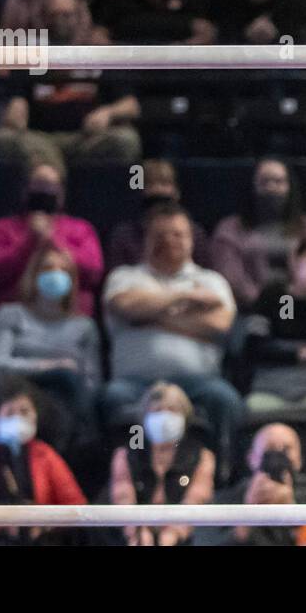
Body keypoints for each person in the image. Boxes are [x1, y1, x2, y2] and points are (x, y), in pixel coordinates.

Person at [101, 202, 243, 476]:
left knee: (226, 399)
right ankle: (124, 480)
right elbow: (125, 307)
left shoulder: (211, 281)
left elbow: (220, 325)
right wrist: (186, 297)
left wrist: (151, 316)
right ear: (146, 239)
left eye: (178, 234)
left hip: (199, 384)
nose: (170, 240)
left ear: (191, 239)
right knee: (112, 397)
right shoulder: (125, 277)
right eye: (161, 234)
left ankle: (222, 477)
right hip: (135, 385)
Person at [0, 0, 142, 170]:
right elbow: (17, 100)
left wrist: (108, 113)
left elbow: (131, 105)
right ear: (43, 18)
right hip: (41, 139)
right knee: (4, 139)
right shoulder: (30, 56)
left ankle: (51, 174)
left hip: (86, 139)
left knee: (126, 139)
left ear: (79, 17)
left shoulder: (100, 53)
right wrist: (16, 108)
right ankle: (49, 175)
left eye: (66, 15)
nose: (60, 21)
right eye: (53, 15)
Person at [0, 377, 86, 545]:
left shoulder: (45, 456)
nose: (18, 419)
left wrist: (44, 521)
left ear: (35, 416)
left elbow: (76, 505)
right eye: (10, 413)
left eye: (24, 412)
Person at [0, 241, 101, 438]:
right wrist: (48, 366)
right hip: (17, 391)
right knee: (63, 376)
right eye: (48, 268)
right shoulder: (11, 314)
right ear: (33, 275)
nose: (56, 274)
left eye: (64, 270)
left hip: (66, 399)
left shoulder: (85, 326)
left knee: (71, 386)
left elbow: (93, 381)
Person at [0, 161, 105, 316]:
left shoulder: (81, 228)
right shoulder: (1, 228)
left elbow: (93, 274)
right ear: (25, 190)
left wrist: (52, 239)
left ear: (61, 193)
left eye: (50, 186)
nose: (44, 192)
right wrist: (30, 240)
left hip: (71, 318)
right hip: (16, 318)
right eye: (38, 185)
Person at [240, 234, 306, 416]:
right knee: (252, 407)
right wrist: (297, 354)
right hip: (270, 388)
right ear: (296, 261)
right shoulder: (276, 295)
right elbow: (254, 346)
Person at [209, 157, 306, 309]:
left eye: (278, 181)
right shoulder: (230, 229)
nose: (271, 187)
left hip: (304, 308)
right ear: (252, 186)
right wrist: (269, 308)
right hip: (248, 312)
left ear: (290, 187)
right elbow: (232, 279)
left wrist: (295, 303)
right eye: (264, 181)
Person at [108, 382, 216, 546]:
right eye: (157, 411)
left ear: (185, 418)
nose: (164, 418)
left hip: (184, 536)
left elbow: (196, 499)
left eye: (172, 410)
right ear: (145, 418)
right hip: (134, 535)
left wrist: (173, 533)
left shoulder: (202, 456)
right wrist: (136, 532)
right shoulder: (126, 454)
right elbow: (123, 497)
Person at [214, 422, 306, 546]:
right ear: (251, 458)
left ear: (299, 459)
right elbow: (206, 540)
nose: (278, 457)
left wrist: (292, 511)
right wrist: (248, 514)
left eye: (286, 449)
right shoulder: (229, 499)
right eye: (270, 449)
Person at [106, 159, 210, 270]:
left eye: (164, 183)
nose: (158, 190)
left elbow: (204, 272)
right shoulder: (123, 235)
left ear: (176, 191)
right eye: (150, 184)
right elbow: (116, 275)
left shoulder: (195, 233)